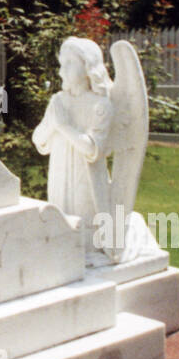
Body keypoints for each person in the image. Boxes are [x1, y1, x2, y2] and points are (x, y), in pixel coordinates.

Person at [32, 37, 113, 251]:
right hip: (60, 173)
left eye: (69, 64)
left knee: (86, 231)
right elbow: (39, 140)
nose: (62, 70)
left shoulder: (100, 105)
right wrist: (54, 125)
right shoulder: (58, 101)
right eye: (61, 64)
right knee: (62, 223)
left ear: (88, 68)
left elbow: (92, 149)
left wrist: (64, 126)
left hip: (86, 178)